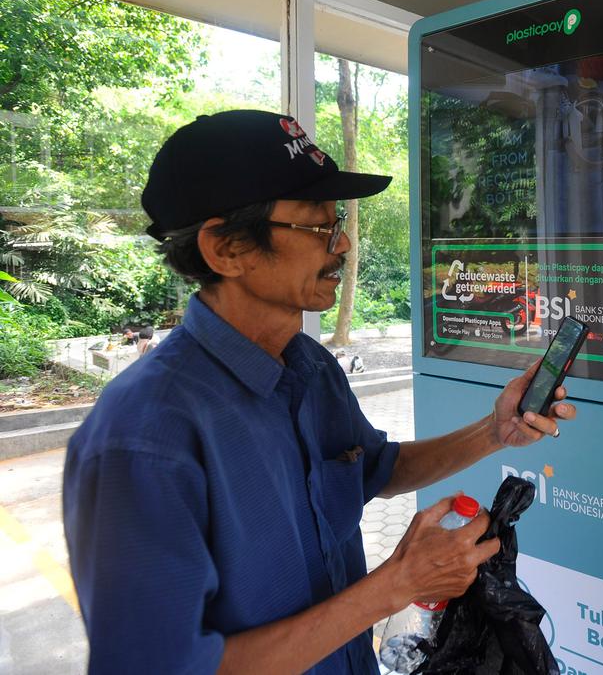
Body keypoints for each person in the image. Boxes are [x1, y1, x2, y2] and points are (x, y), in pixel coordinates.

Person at [62, 110, 576, 674]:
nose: (345, 241)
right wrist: (397, 584)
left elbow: (379, 470)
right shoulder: (142, 439)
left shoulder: (309, 367)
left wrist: (493, 431)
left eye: (340, 222)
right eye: (318, 227)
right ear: (226, 249)